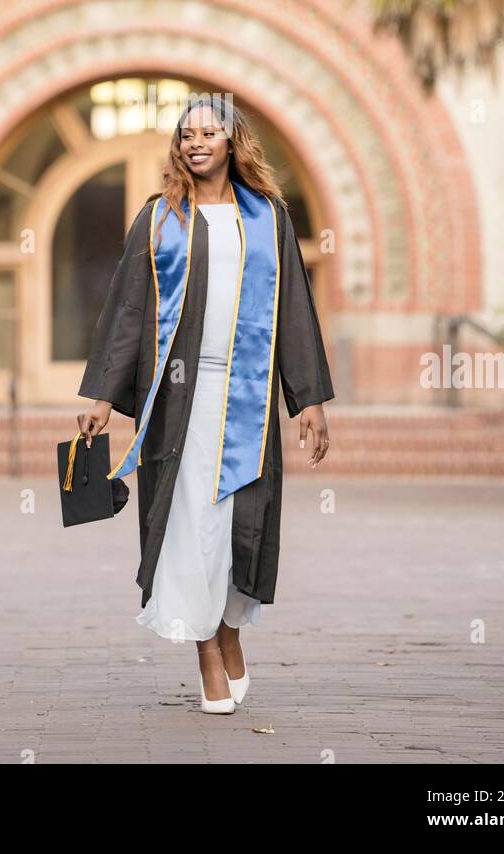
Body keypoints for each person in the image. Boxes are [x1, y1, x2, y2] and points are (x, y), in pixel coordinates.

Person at [75, 93, 334, 713]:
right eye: (186, 134)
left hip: (243, 396)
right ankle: (208, 654)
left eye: (209, 133)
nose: (196, 142)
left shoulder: (268, 218)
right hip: (178, 397)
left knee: (238, 520)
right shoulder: (161, 217)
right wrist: (102, 396)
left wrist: (309, 401)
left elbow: (295, 309)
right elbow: (129, 311)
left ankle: (230, 629)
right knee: (191, 524)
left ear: (231, 141)